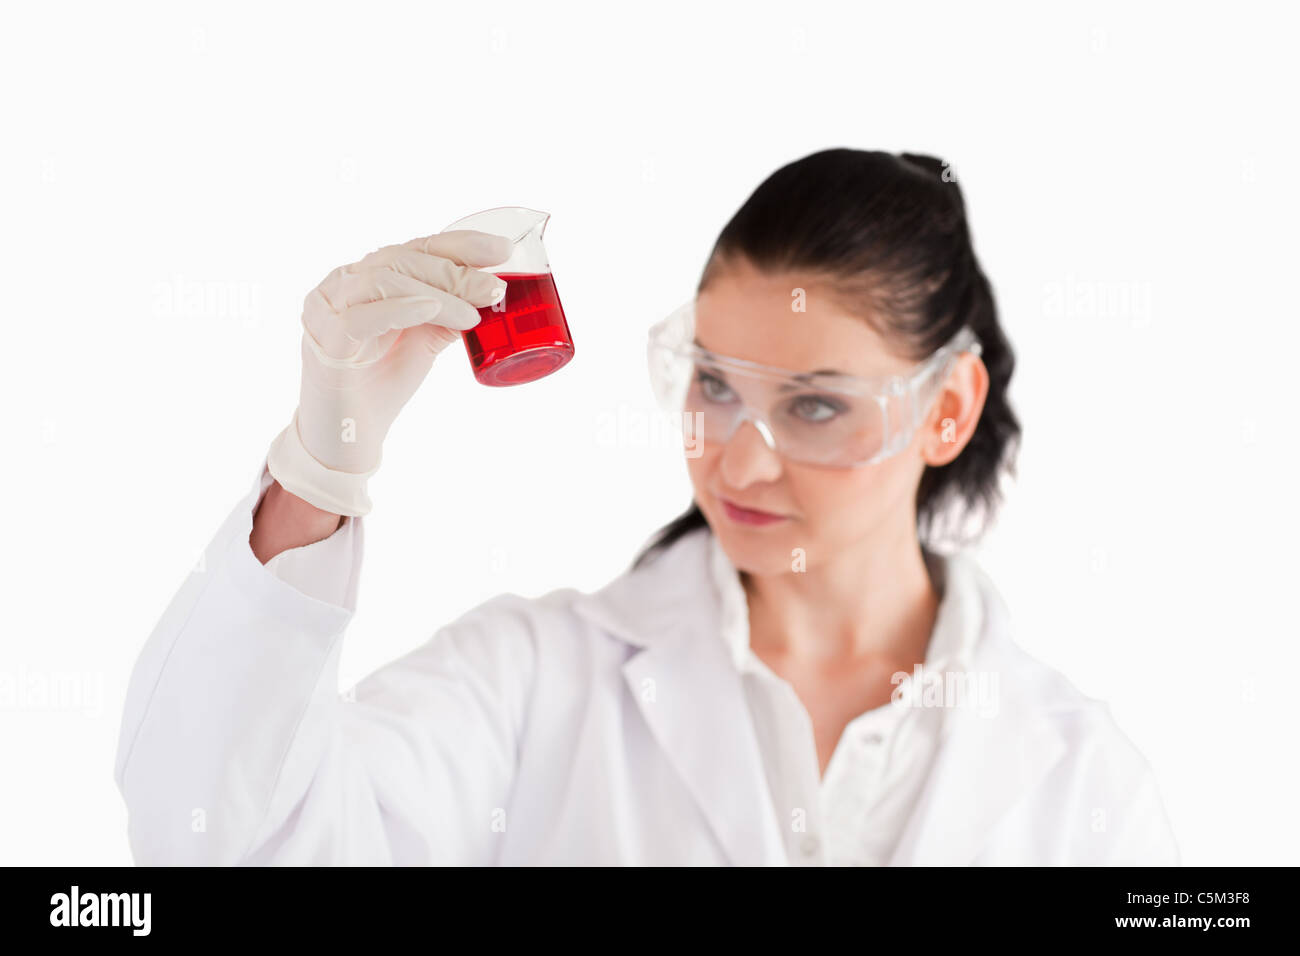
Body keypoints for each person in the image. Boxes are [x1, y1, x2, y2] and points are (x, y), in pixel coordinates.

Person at [114, 149, 1180, 866]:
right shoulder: (537, 682)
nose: (740, 465)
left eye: (813, 404)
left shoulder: (1083, 778)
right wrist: (321, 463)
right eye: (714, 384)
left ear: (945, 409)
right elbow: (227, 839)